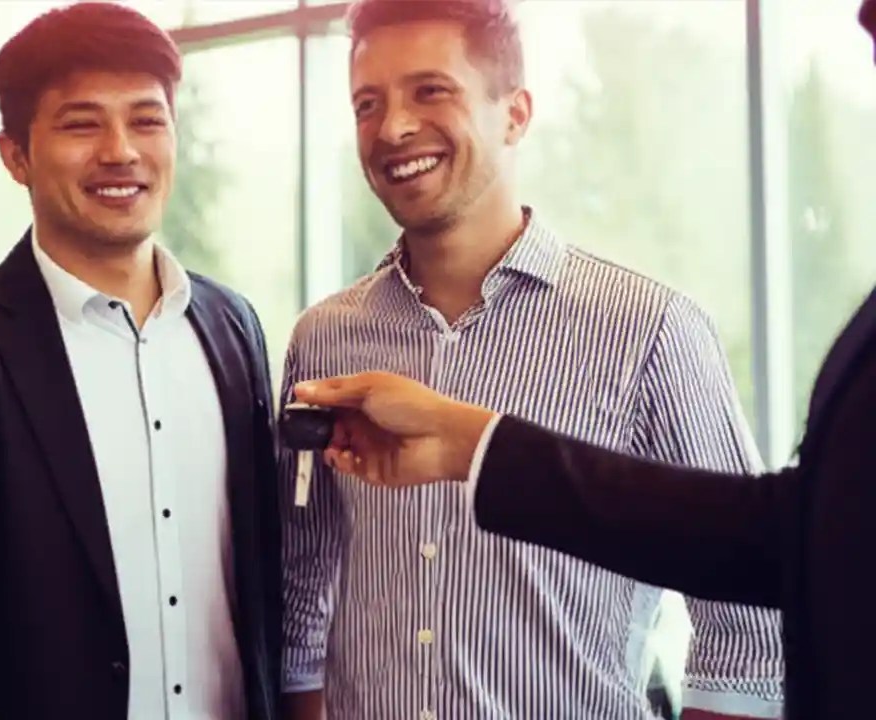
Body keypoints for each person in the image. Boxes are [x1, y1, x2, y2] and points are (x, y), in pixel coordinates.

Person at [290, 12, 876, 718]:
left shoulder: (652, 330)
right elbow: (301, 588)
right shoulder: (323, 340)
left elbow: (746, 624)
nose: (392, 129)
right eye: (367, 104)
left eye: (431, 91)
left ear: (516, 114)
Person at [0, 4, 282, 719]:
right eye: (82, 123)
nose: (121, 150)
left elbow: (262, 586)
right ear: (15, 154)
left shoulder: (233, 326)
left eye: (147, 120)